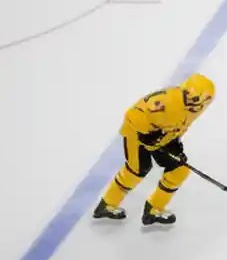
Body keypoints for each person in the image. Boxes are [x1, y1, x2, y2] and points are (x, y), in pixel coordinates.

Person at [92, 75, 216, 225]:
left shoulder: (196, 108)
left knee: (179, 170)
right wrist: (146, 133)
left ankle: (154, 209)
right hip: (136, 134)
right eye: (186, 94)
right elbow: (132, 114)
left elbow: (182, 124)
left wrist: (174, 143)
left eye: (194, 98)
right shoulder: (167, 100)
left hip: (162, 137)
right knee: (137, 170)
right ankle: (107, 204)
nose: (188, 99)